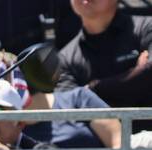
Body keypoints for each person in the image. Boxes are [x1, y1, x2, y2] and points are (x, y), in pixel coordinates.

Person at [56, 0, 152, 133]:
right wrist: (137, 74)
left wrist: (90, 91)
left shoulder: (147, 27)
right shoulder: (65, 58)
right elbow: (71, 109)